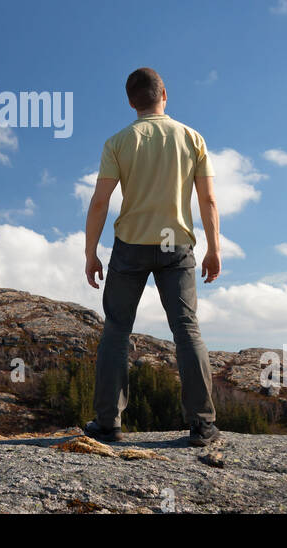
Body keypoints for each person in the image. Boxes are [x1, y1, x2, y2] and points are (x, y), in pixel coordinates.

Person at [82, 67, 221, 447]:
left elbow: (100, 202)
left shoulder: (118, 142)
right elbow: (207, 199)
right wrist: (214, 248)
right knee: (186, 330)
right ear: (164, 93)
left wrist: (90, 252)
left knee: (116, 331)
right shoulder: (192, 138)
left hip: (131, 245)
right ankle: (202, 425)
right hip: (175, 246)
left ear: (131, 101)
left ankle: (108, 423)